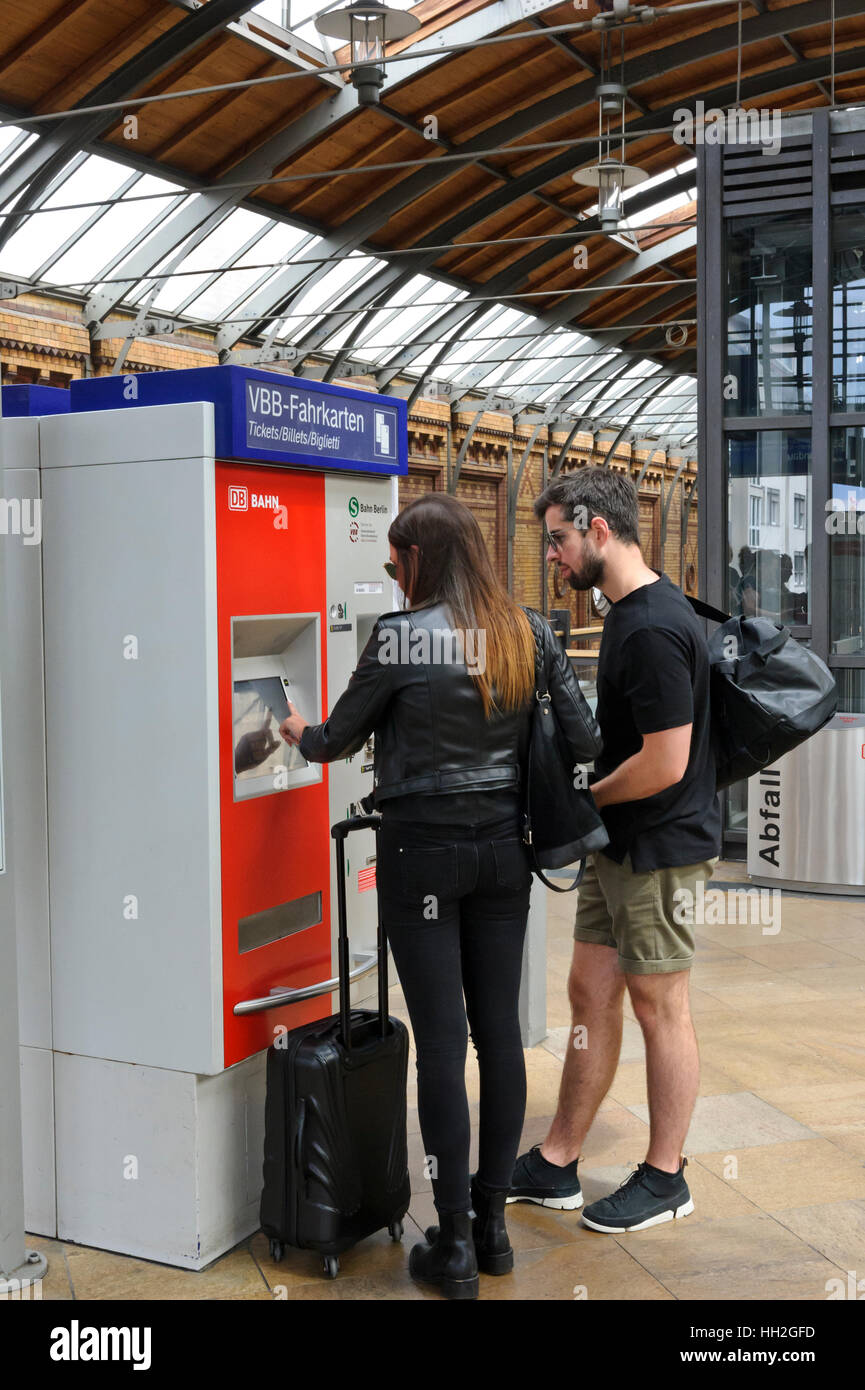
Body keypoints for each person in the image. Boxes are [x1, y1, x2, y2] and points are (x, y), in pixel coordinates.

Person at [279, 492, 601, 1297]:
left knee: (442, 1042)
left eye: (395, 560)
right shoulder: (527, 631)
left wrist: (292, 728)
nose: (391, 573)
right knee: (499, 1038)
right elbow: (585, 739)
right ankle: (494, 1233)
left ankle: (451, 1246)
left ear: (418, 560)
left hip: (419, 855)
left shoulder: (395, 639)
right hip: (503, 854)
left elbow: (333, 741)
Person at [510, 468, 721, 1233]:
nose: (554, 558)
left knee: (658, 1004)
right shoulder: (632, 614)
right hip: (619, 844)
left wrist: (579, 798)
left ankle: (666, 1177)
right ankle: (558, 1159)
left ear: (599, 529)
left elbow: (665, 761)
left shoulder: (656, 626)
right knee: (589, 992)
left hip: (659, 847)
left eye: (559, 540)